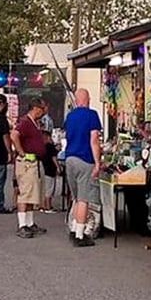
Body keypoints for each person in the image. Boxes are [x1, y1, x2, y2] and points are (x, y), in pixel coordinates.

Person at [64, 88, 102, 247]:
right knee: (83, 199)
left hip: (69, 158)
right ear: (88, 99)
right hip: (85, 158)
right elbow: (94, 139)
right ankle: (80, 235)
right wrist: (97, 161)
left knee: (75, 196)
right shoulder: (92, 115)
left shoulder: (70, 116)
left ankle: (73, 227)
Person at [11, 97, 48, 239]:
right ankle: (22, 225)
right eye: (42, 108)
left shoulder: (33, 123)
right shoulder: (25, 122)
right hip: (27, 162)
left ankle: (30, 222)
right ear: (36, 108)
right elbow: (14, 135)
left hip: (33, 161)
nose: (43, 111)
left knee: (32, 193)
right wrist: (22, 153)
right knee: (25, 193)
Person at [41, 130, 61, 214]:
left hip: (43, 169)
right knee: (49, 189)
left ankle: (44, 205)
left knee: (45, 189)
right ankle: (48, 206)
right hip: (50, 170)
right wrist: (58, 167)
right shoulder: (50, 146)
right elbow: (54, 158)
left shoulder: (42, 147)